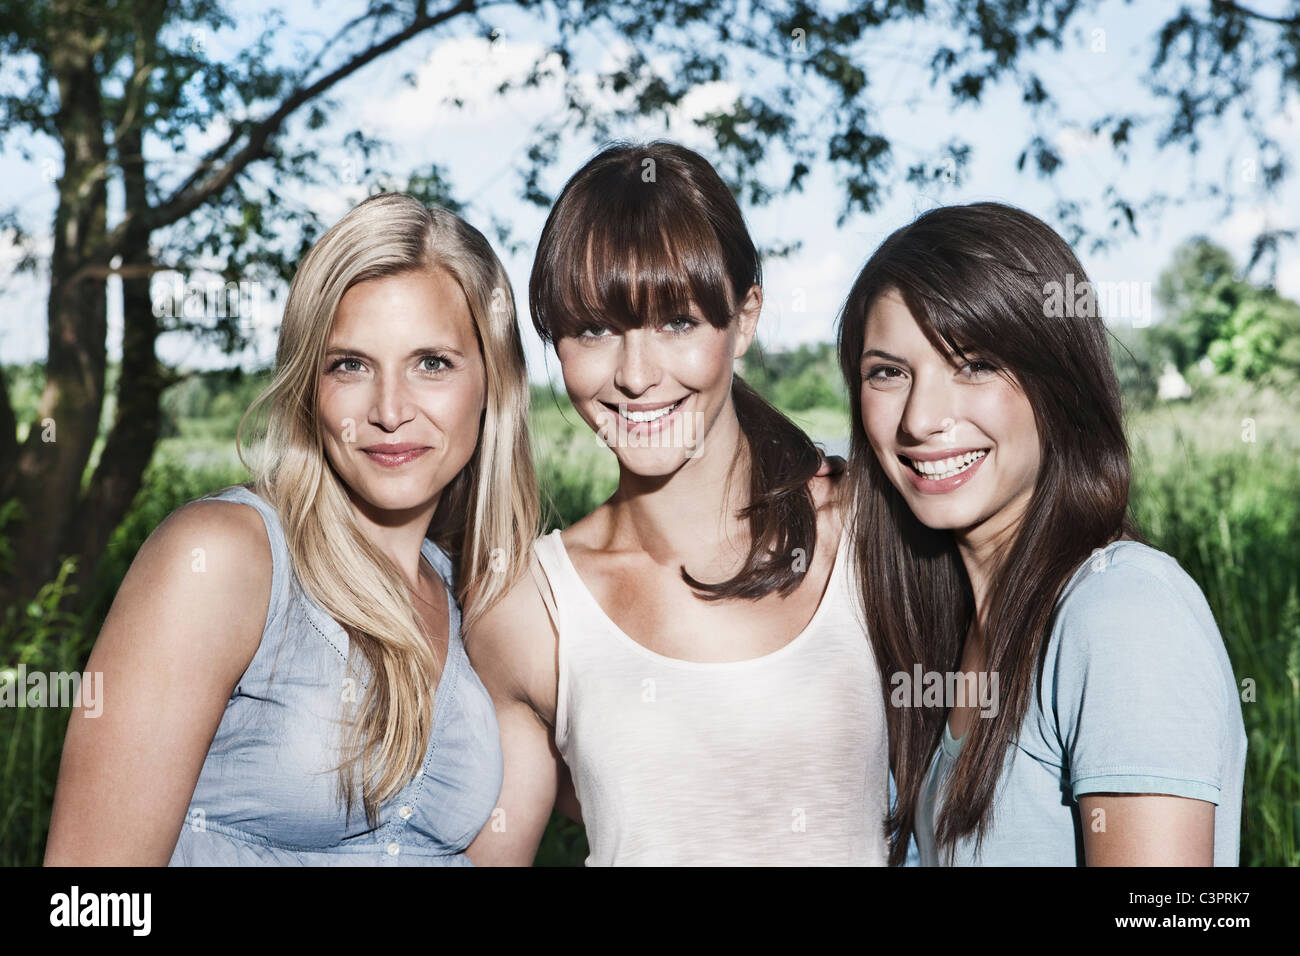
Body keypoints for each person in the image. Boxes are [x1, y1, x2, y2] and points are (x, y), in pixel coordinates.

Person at [44, 193, 537, 866]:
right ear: (309, 385)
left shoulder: (474, 597)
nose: (390, 410)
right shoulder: (224, 559)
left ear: (493, 382)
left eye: (432, 363)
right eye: (350, 365)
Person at [466, 140, 889, 866]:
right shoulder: (525, 607)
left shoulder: (867, 532)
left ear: (744, 318)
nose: (636, 374)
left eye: (677, 323)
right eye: (595, 329)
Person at [836, 201, 1247, 866]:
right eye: (889, 371)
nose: (921, 419)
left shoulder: (1122, 612)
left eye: (973, 363)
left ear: (1058, 384)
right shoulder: (951, 630)